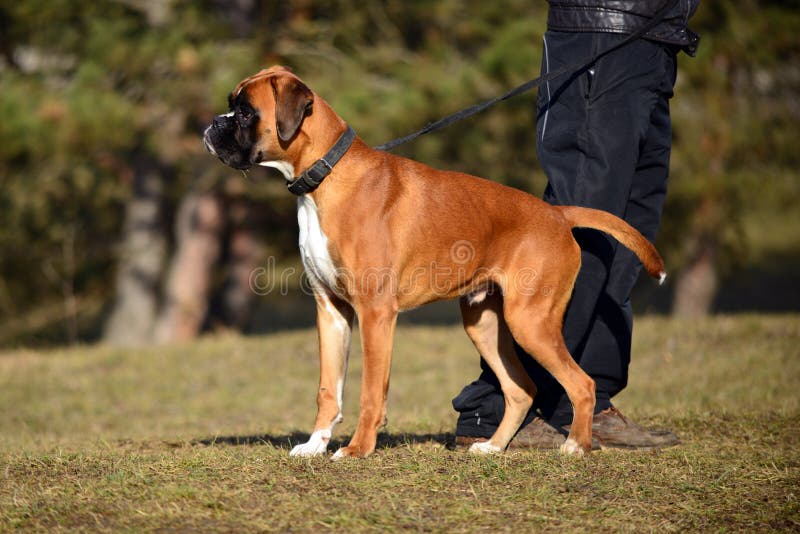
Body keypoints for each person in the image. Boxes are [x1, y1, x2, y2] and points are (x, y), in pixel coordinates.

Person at [453, 0, 700, 450]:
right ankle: (503, 407)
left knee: (628, 220)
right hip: (597, 31)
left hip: (659, 39)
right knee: (575, 216)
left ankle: (589, 398)